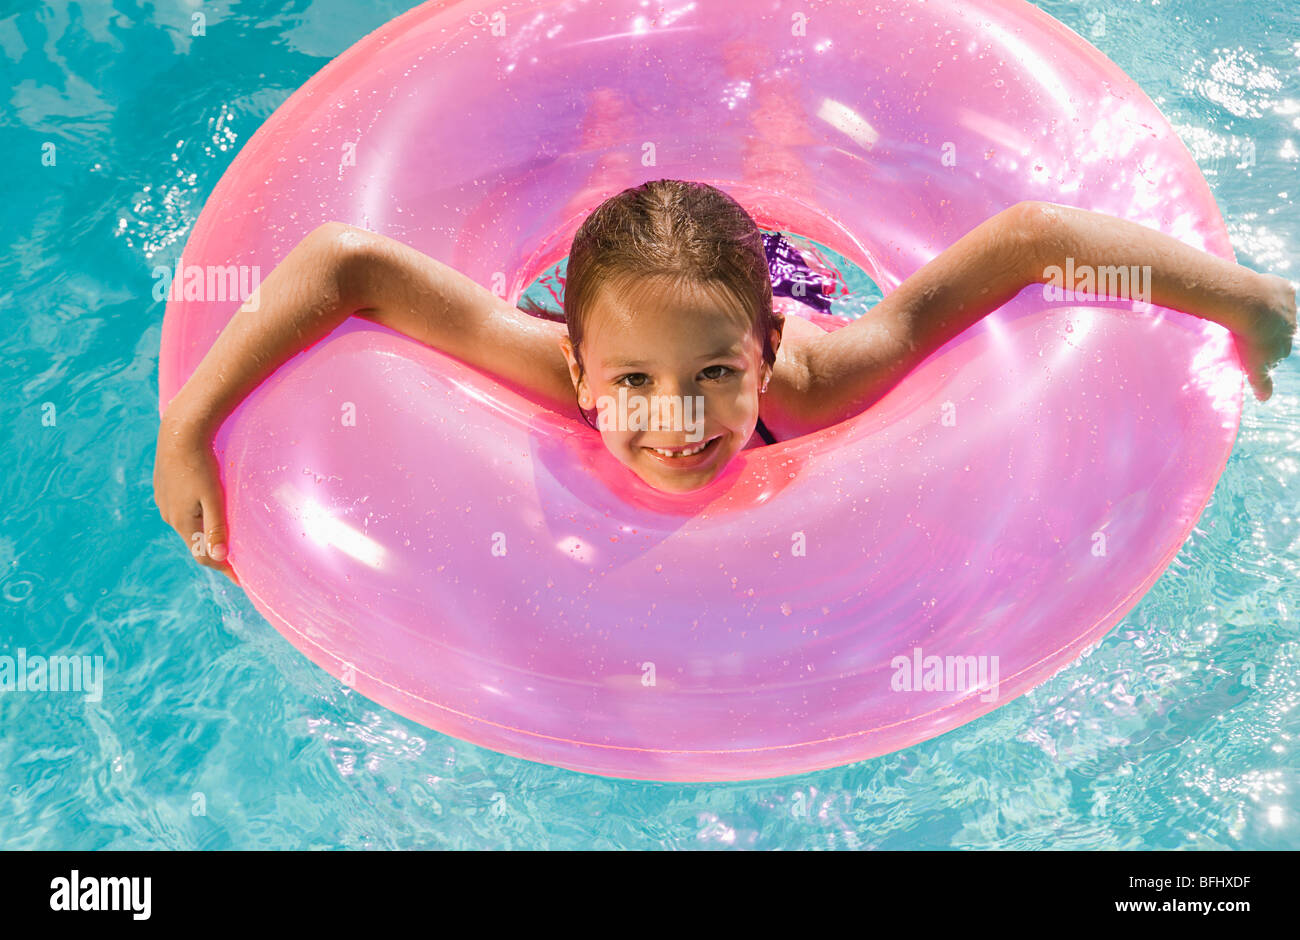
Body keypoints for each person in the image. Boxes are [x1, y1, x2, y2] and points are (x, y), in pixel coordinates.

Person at [154, 179, 1296, 584]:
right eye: (637, 383)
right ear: (579, 370)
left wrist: (1243, 297)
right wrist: (189, 427)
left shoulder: (819, 374)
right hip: (636, 292)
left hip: (775, 276)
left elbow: (1030, 237)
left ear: (759, 358)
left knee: (690, 317)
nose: (679, 417)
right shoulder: (563, 372)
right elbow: (345, 263)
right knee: (653, 322)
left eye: (715, 378)